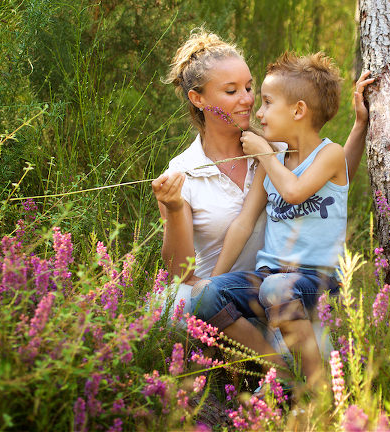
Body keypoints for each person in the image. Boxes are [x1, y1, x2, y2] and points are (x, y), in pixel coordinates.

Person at [151, 29, 373, 322]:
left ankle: (268, 362)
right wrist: (176, 208)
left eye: (248, 87)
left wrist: (360, 125)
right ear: (198, 99)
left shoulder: (277, 148)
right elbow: (181, 272)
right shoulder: (183, 173)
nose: (248, 100)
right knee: (179, 308)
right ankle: (249, 355)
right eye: (231, 91)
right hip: (231, 296)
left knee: (307, 342)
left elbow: (331, 179)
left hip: (283, 293)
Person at [193, 51, 350, 387]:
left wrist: (265, 154)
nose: (258, 112)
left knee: (277, 288)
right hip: (268, 279)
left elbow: (294, 192)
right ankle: (281, 376)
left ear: (298, 111)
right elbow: (244, 223)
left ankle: (318, 390)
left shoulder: (329, 154)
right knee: (205, 297)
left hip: (316, 279)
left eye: (266, 102)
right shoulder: (275, 160)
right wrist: (214, 280)